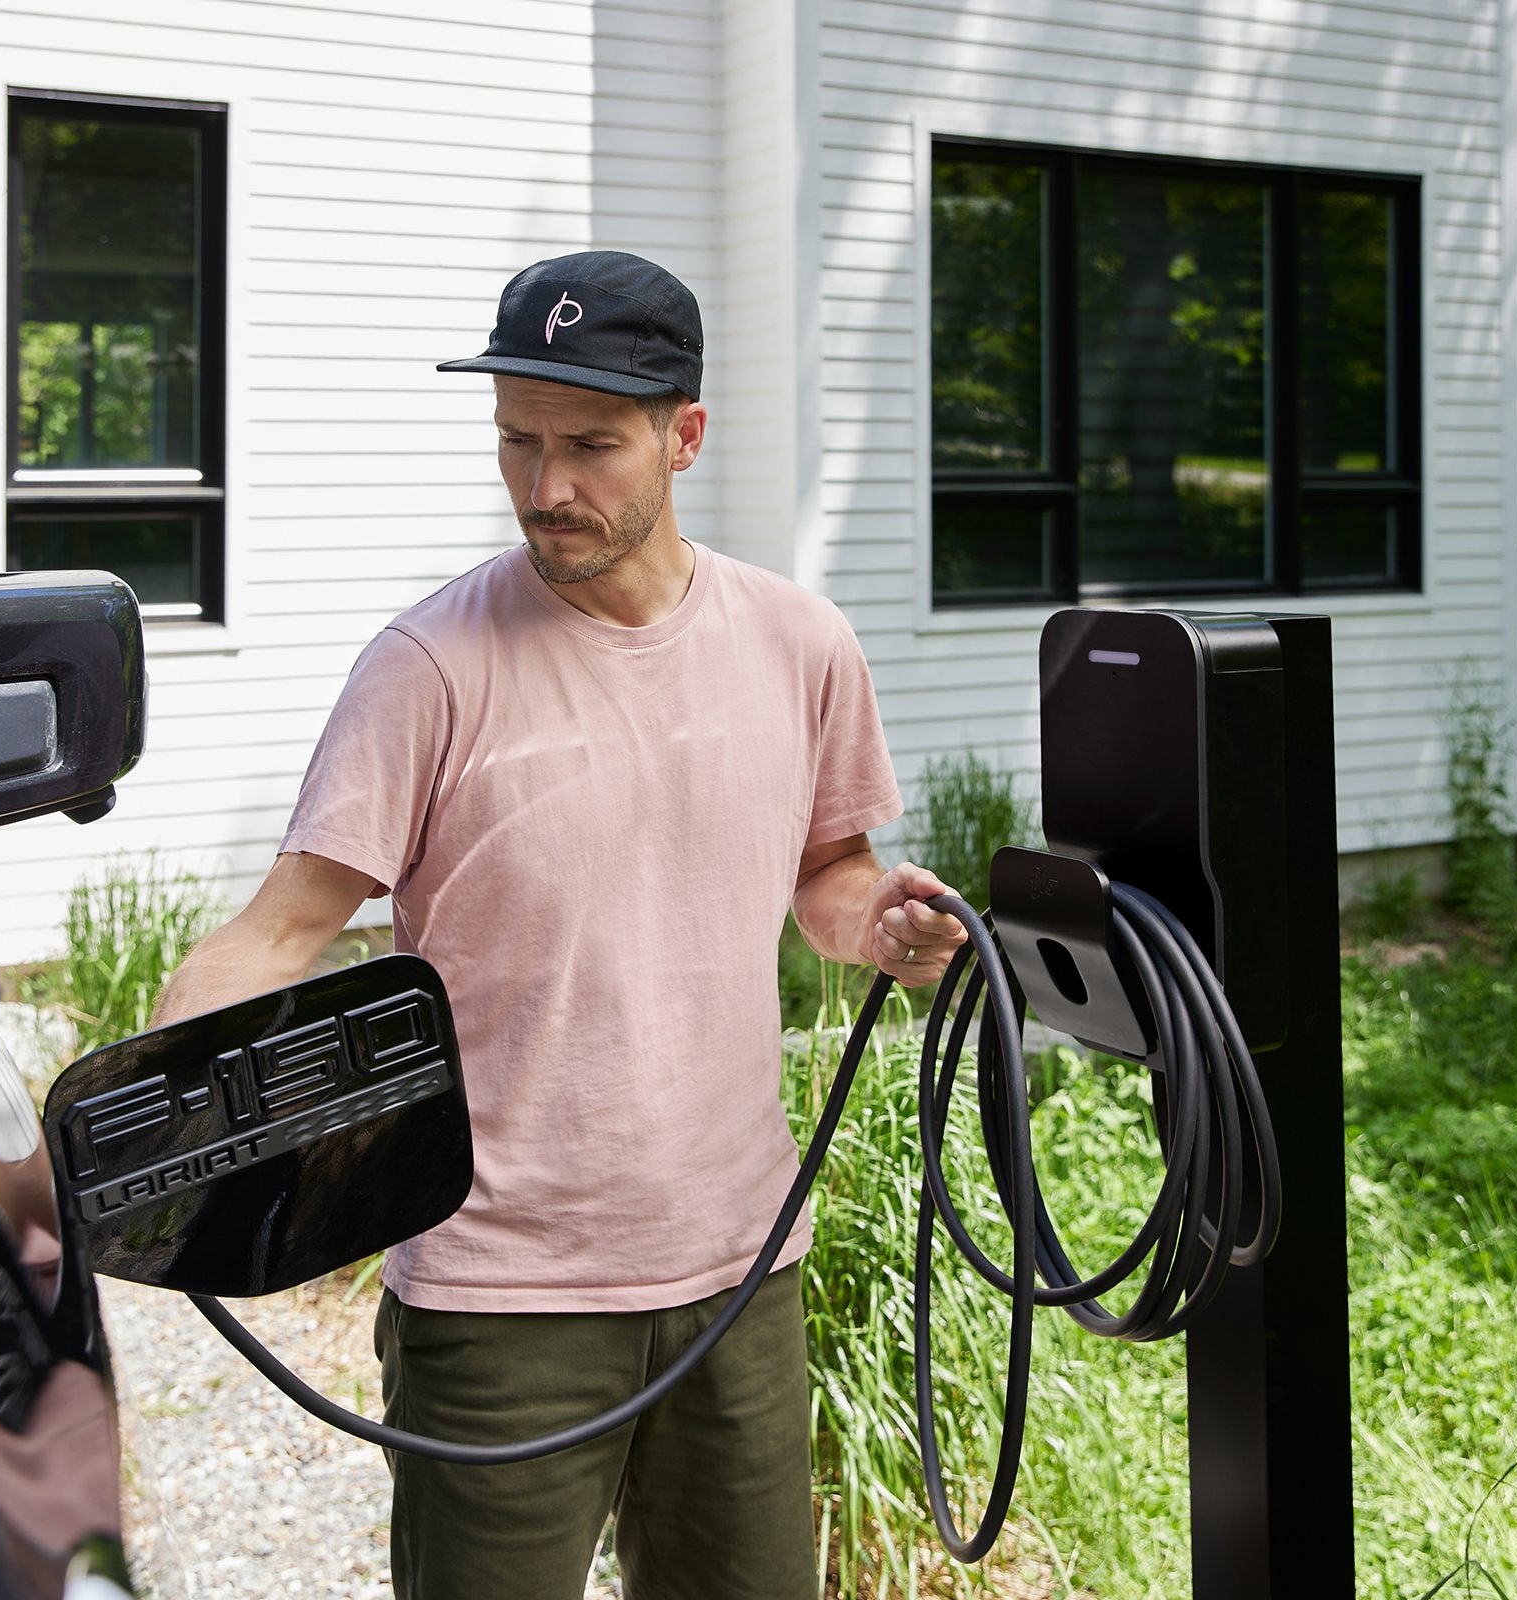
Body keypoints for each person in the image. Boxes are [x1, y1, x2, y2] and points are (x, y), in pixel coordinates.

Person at [152, 250, 966, 1600]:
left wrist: (878, 924)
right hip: (499, 1293)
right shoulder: (429, 667)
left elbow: (829, 872)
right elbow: (284, 929)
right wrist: (142, 1100)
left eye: (590, 445)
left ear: (685, 436)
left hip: (740, 1273)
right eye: (517, 443)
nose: (547, 488)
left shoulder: (800, 644)